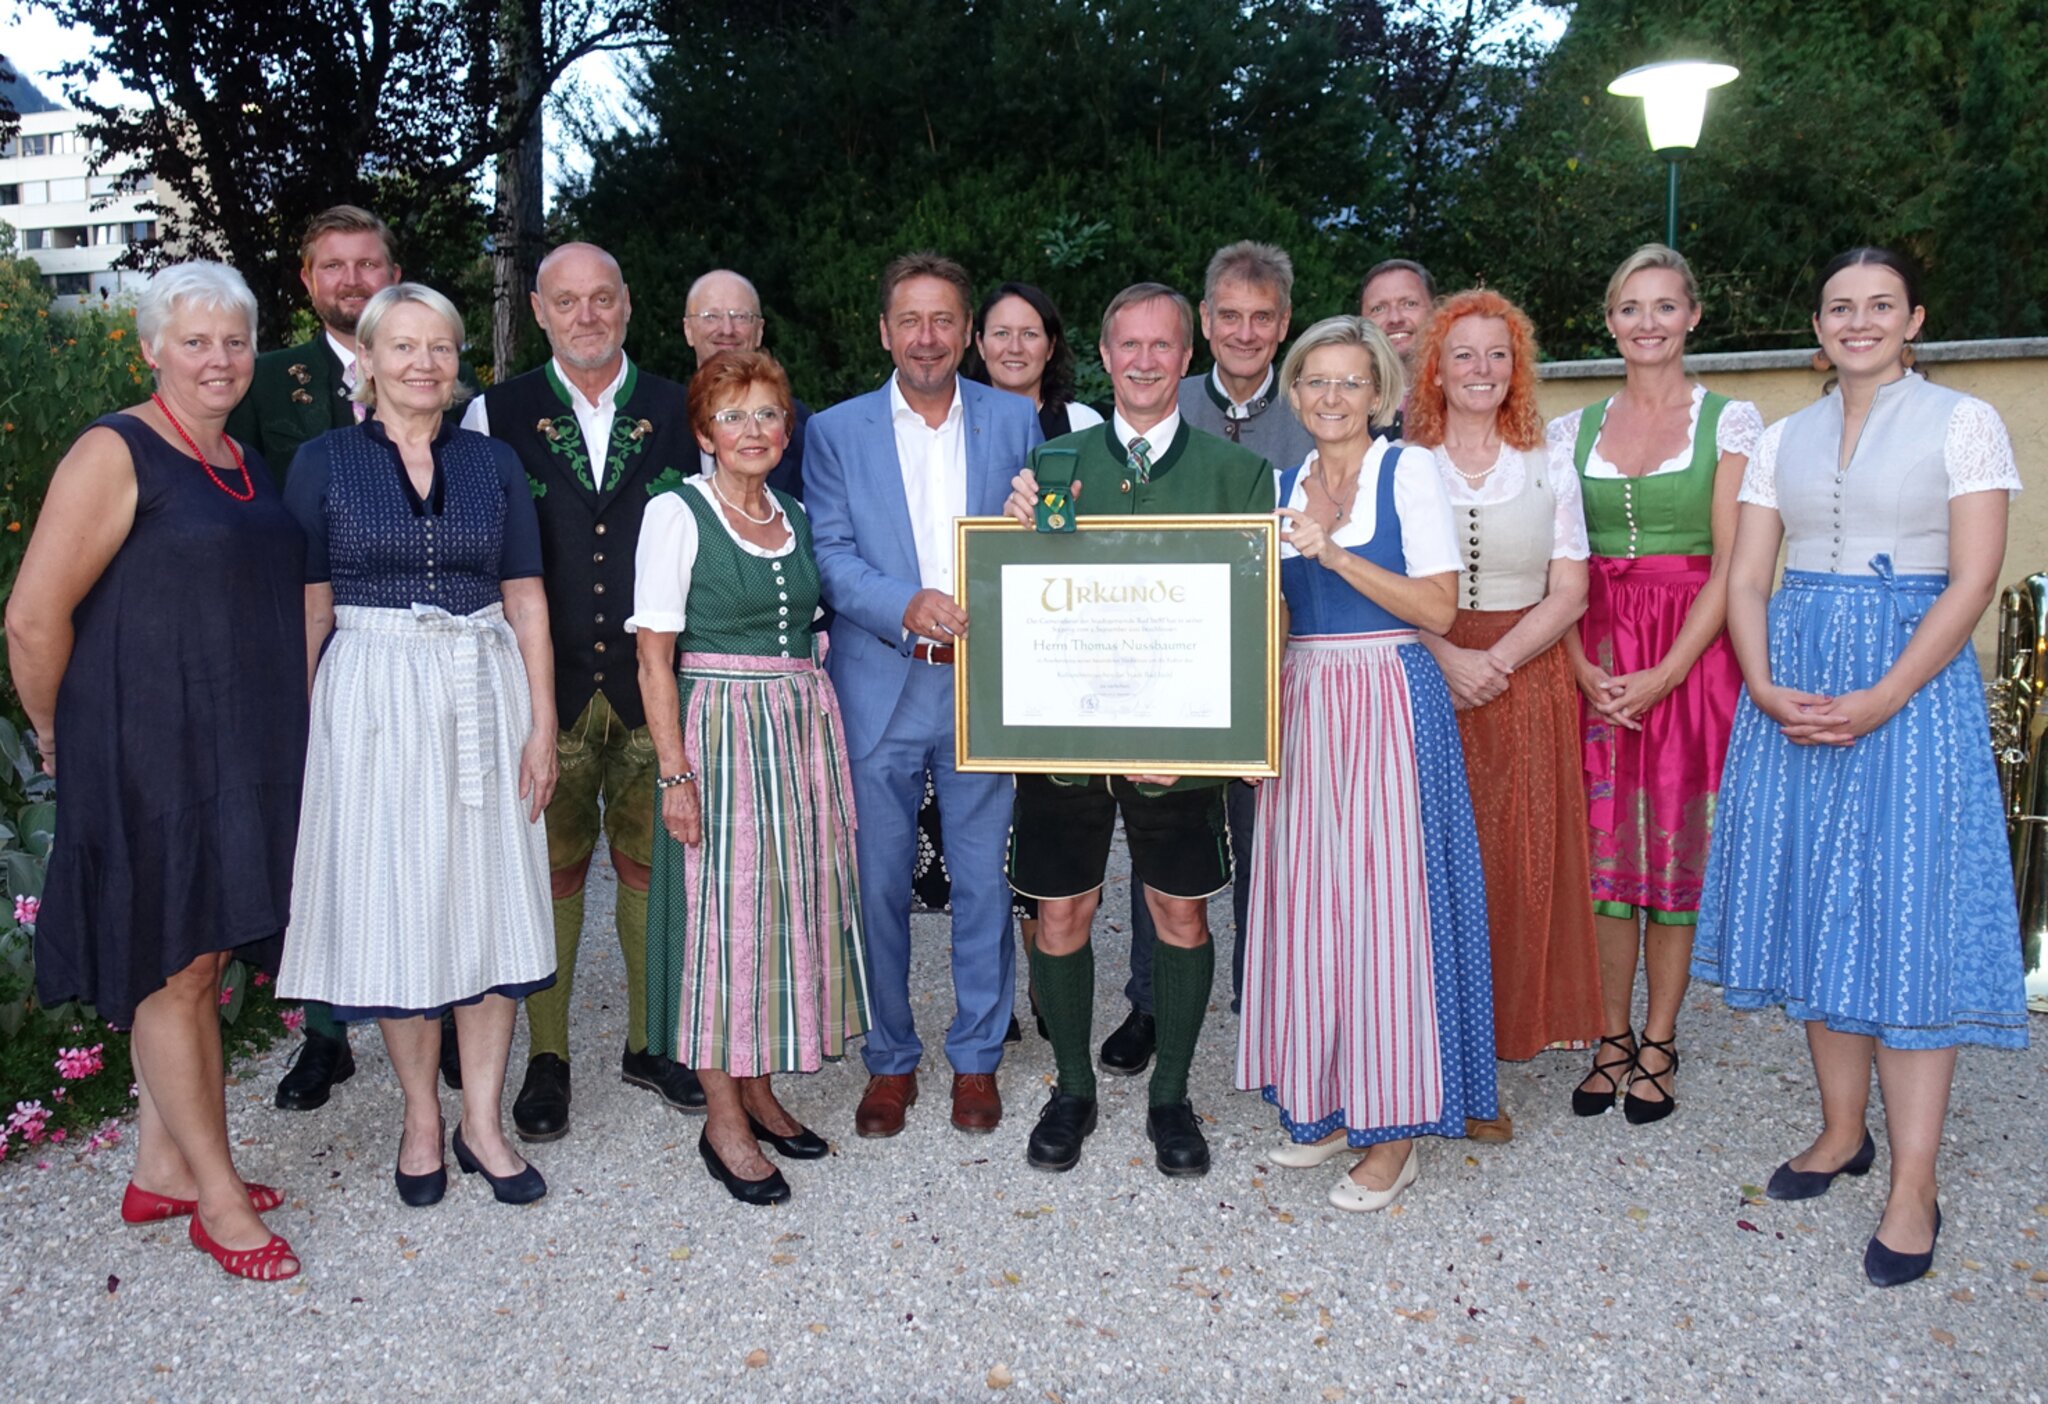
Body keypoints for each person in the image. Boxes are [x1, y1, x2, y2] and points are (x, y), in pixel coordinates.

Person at [1694, 248, 2029, 1287]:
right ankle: (1842, 1134)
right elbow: (1745, 575)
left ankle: (1912, 1183)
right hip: (1793, 681)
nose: (1857, 320)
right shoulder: (1777, 435)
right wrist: (1757, 681)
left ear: (1912, 317)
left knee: (1905, 924)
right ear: (1815, 323)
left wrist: (1885, 694)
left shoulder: (1961, 420)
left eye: (1878, 305)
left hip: (1909, 689)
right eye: (1839, 306)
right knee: (1816, 908)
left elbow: (1972, 578)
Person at [6, 262, 307, 1279]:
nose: (218, 359)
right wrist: (56, 731)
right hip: (146, 749)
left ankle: (162, 1166)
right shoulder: (114, 449)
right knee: (176, 966)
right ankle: (217, 1200)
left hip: (230, 744)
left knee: (203, 956)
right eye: (194, 341)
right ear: (149, 349)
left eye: (234, 341)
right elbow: (32, 616)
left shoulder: (239, 459)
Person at [278, 283, 557, 1209]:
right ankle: (420, 1118)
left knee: (491, 905)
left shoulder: (494, 463)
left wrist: (544, 723)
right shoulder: (320, 463)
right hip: (372, 698)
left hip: (485, 685)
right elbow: (312, 609)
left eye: (440, 347)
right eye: (403, 347)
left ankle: (482, 1118)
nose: (424, 364)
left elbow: (525, 600)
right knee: (401, 902)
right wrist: (309, 734)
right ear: (365, 360)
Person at [1001, 283, 1275, 1178]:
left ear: (1185, 357)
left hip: (1181, 741)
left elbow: (1252, 613)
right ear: (1107, 356)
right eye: (1129, 345)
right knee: (1061, 909)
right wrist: (1012, 539)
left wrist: (1230, 734)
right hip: (1066, 737)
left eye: (1163, 346)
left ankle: (1171, 1098)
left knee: (1178, 912)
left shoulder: (1237, 475)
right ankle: (1072, 1085)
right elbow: (1022, 595)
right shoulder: (1054, 462)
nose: (1146, 361)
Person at [1235, 315, 1496, 1213]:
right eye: (1315, 382)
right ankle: (1339, 1102)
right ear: (1294, 395)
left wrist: (1333, 550)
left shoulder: (1407, 470)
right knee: (1315, 907)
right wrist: (1239, 724)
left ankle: (1397, 1134)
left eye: (1350, 382)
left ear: (1380, 394)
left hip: (1387, 689)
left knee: (1388, 915)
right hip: (1306, 698)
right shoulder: (1285, 479)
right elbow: (1262, 614)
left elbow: (1441, 605)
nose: (1332, 398)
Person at [464, 243, 707, 1140]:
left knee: (654, 865)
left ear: (629, 304)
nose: (587, 315)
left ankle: (652, 1041)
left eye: (602, 298)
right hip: (545, 687)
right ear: (538, 310)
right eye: (567, 302)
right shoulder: (496, 411)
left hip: (654, 687)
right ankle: (548, 1055)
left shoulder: (681, 407)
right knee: (550, 871)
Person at [806, 251, 1042, 1139]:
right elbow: (828, 553)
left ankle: (977, 1058)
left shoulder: (1016, 421)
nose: (928, 337)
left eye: (944, 320)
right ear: (884, 332)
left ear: (967, 331)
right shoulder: (836, 431)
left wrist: (1041, 525)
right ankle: (890, 1058)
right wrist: (903, 606)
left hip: (983, 690)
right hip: (878, 680)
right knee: (877, 888)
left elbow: (1053, 541)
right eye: (911, 320)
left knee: (984, 882)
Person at [629, 349, 869, 1205]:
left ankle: (762, 1086)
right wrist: (674, 775)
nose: (753, 430)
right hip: (718, 729)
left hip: (797, 730)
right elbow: (654, 657)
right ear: (703, 430)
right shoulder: (677, 513)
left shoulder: (795, 514)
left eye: (768, 413)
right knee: (720, 920)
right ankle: (722, 1115)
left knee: (783, 911)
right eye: (733, 416)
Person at [1547, 244, 1761, 1125]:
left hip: (1691, 649)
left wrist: (1669, 672)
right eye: (1631, 307)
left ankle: (1661, 1037)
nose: (1648, 323)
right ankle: (1608, 1035)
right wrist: (1579, 664)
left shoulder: (1731, 421)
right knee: (1603, 853)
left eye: (1665, 306)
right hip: (1592, 638)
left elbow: (1731, 565)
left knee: (1672, 849)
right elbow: (1552, 560)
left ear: (1693, 317)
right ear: (1609, 321)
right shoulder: (1572, 429)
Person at [1406, 290, 1600, 1137]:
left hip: (1527, 676)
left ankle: (1489, 1064)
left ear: (1514, 368)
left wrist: (1498, 661)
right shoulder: (1405, 460)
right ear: (1436, 371)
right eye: (1463, 356)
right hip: (1425, 668)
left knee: (1511, 870)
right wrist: (1447, 656)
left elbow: (1572, 588)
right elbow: (1382, 574)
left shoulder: (1548, 460)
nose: (1480, 370)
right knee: (1430, 872)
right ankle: (1429, 1057)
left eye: (1496, 355)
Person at [227, 205, 402, 1114]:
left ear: (392, 272)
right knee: (324, 836)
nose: (351, 280)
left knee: (417, 829)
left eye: (367, 263)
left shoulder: (427, 362)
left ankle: (432, 1013)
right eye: (333, 266)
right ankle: (326, 1034)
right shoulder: (265, 383)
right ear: (306, 280)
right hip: (309, 639)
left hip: (410, 642)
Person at [1150, 239, 1312, 1049]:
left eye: (1262, 317)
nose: (1245, 332)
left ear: (1283, 325)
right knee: (1164, 833)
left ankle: (1263, 1003)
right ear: (1205, 322)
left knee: (1265, 838)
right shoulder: (1163, 399)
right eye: (1230, 316)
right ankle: (1149, 1005)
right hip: (1173, 661)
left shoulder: (1317, 406)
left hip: (1277, 661)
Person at [681, 269, 811, 499]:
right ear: (688, 330)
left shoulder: (804, 431)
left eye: (740, 316)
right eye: (711, 316)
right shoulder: (661, 422)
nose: (727, 329)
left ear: (759, 331)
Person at [968, 281, 1104, 440]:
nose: (1015, 348)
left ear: (1050, 347)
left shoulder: (1084, 425)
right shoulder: (955, 423)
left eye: (1029, 334)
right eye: (1002, 333)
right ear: (980, 344)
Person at [1359, 258, 1436, 438]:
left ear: (1436, 311)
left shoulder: (1467, 395)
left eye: (1409, 304)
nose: (1395, 319)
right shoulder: (1345, 406)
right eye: (1379, 308)